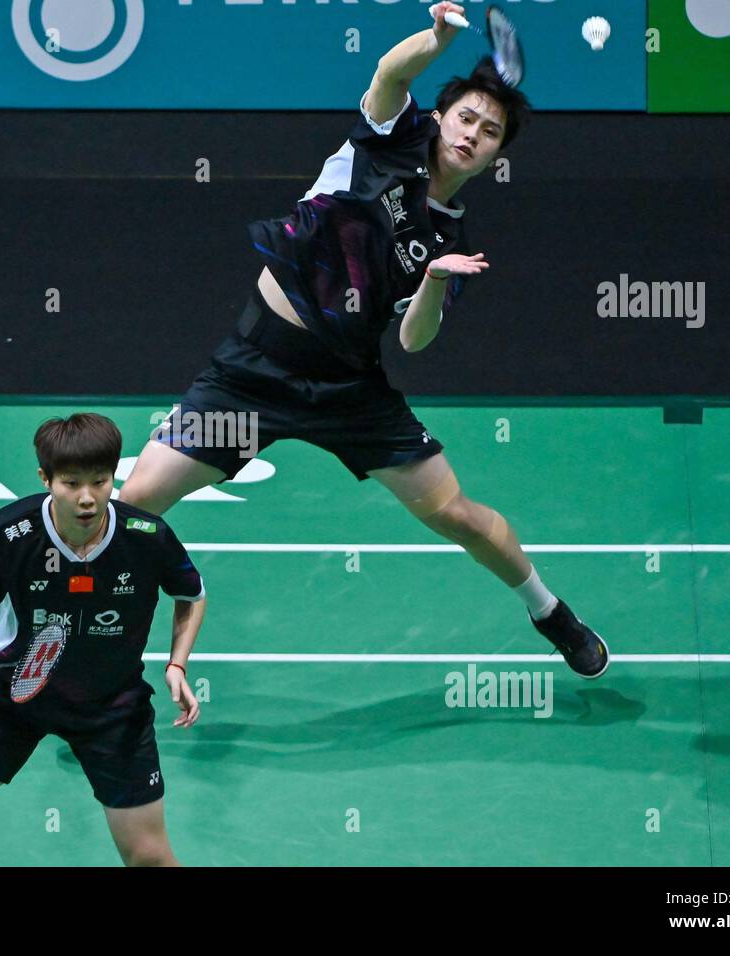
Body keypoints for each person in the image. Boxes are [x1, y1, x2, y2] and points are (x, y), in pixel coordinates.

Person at [118, 3, 608, 677]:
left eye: (491, 131)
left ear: (498, 155)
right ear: (440, 119)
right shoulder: (385, 141)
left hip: (349, 389)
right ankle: (100, 657)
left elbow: (413, 338)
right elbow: (387, 73)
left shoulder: (451, 243)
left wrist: (434, 280)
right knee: (134, 505)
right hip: (253, 372)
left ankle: (549, 611)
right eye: (465, 117)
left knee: (455, 514)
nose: (473, 134)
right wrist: (437, 39)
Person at [0, 413, 206, 866]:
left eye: (99, 482)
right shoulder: (10, 533)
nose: (86, 498)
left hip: (111, 705)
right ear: (46, 478)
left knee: (150, 858)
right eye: (71, 483)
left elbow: (191, 596)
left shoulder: (146, 537)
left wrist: (177, 663)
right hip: (8, 697)